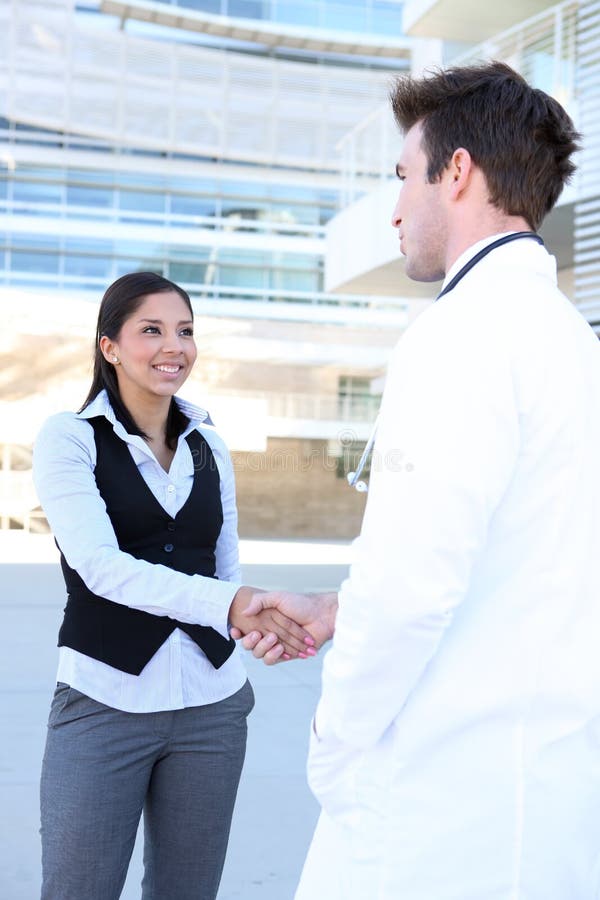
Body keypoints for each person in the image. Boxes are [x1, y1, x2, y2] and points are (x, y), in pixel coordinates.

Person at [237, 62, 600, 899]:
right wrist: (341, 608)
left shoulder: (461, 335)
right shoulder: (572, 342)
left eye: (404, 177)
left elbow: (412, 584)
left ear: (459, 172)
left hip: (437, 814)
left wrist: (334, 740)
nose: (396, 208)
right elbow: (525, 562)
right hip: (548, 811)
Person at [32, 271, 315, 900]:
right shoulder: (69, 439)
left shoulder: (209, 442)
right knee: (79, 889)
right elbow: (98, 566)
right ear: (109, 346)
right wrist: (234, 603)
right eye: (152, 330)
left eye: (185, 331)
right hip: (105, 702)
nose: (174, 346)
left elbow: (224, 565)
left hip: (212, 709)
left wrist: (256, 623)